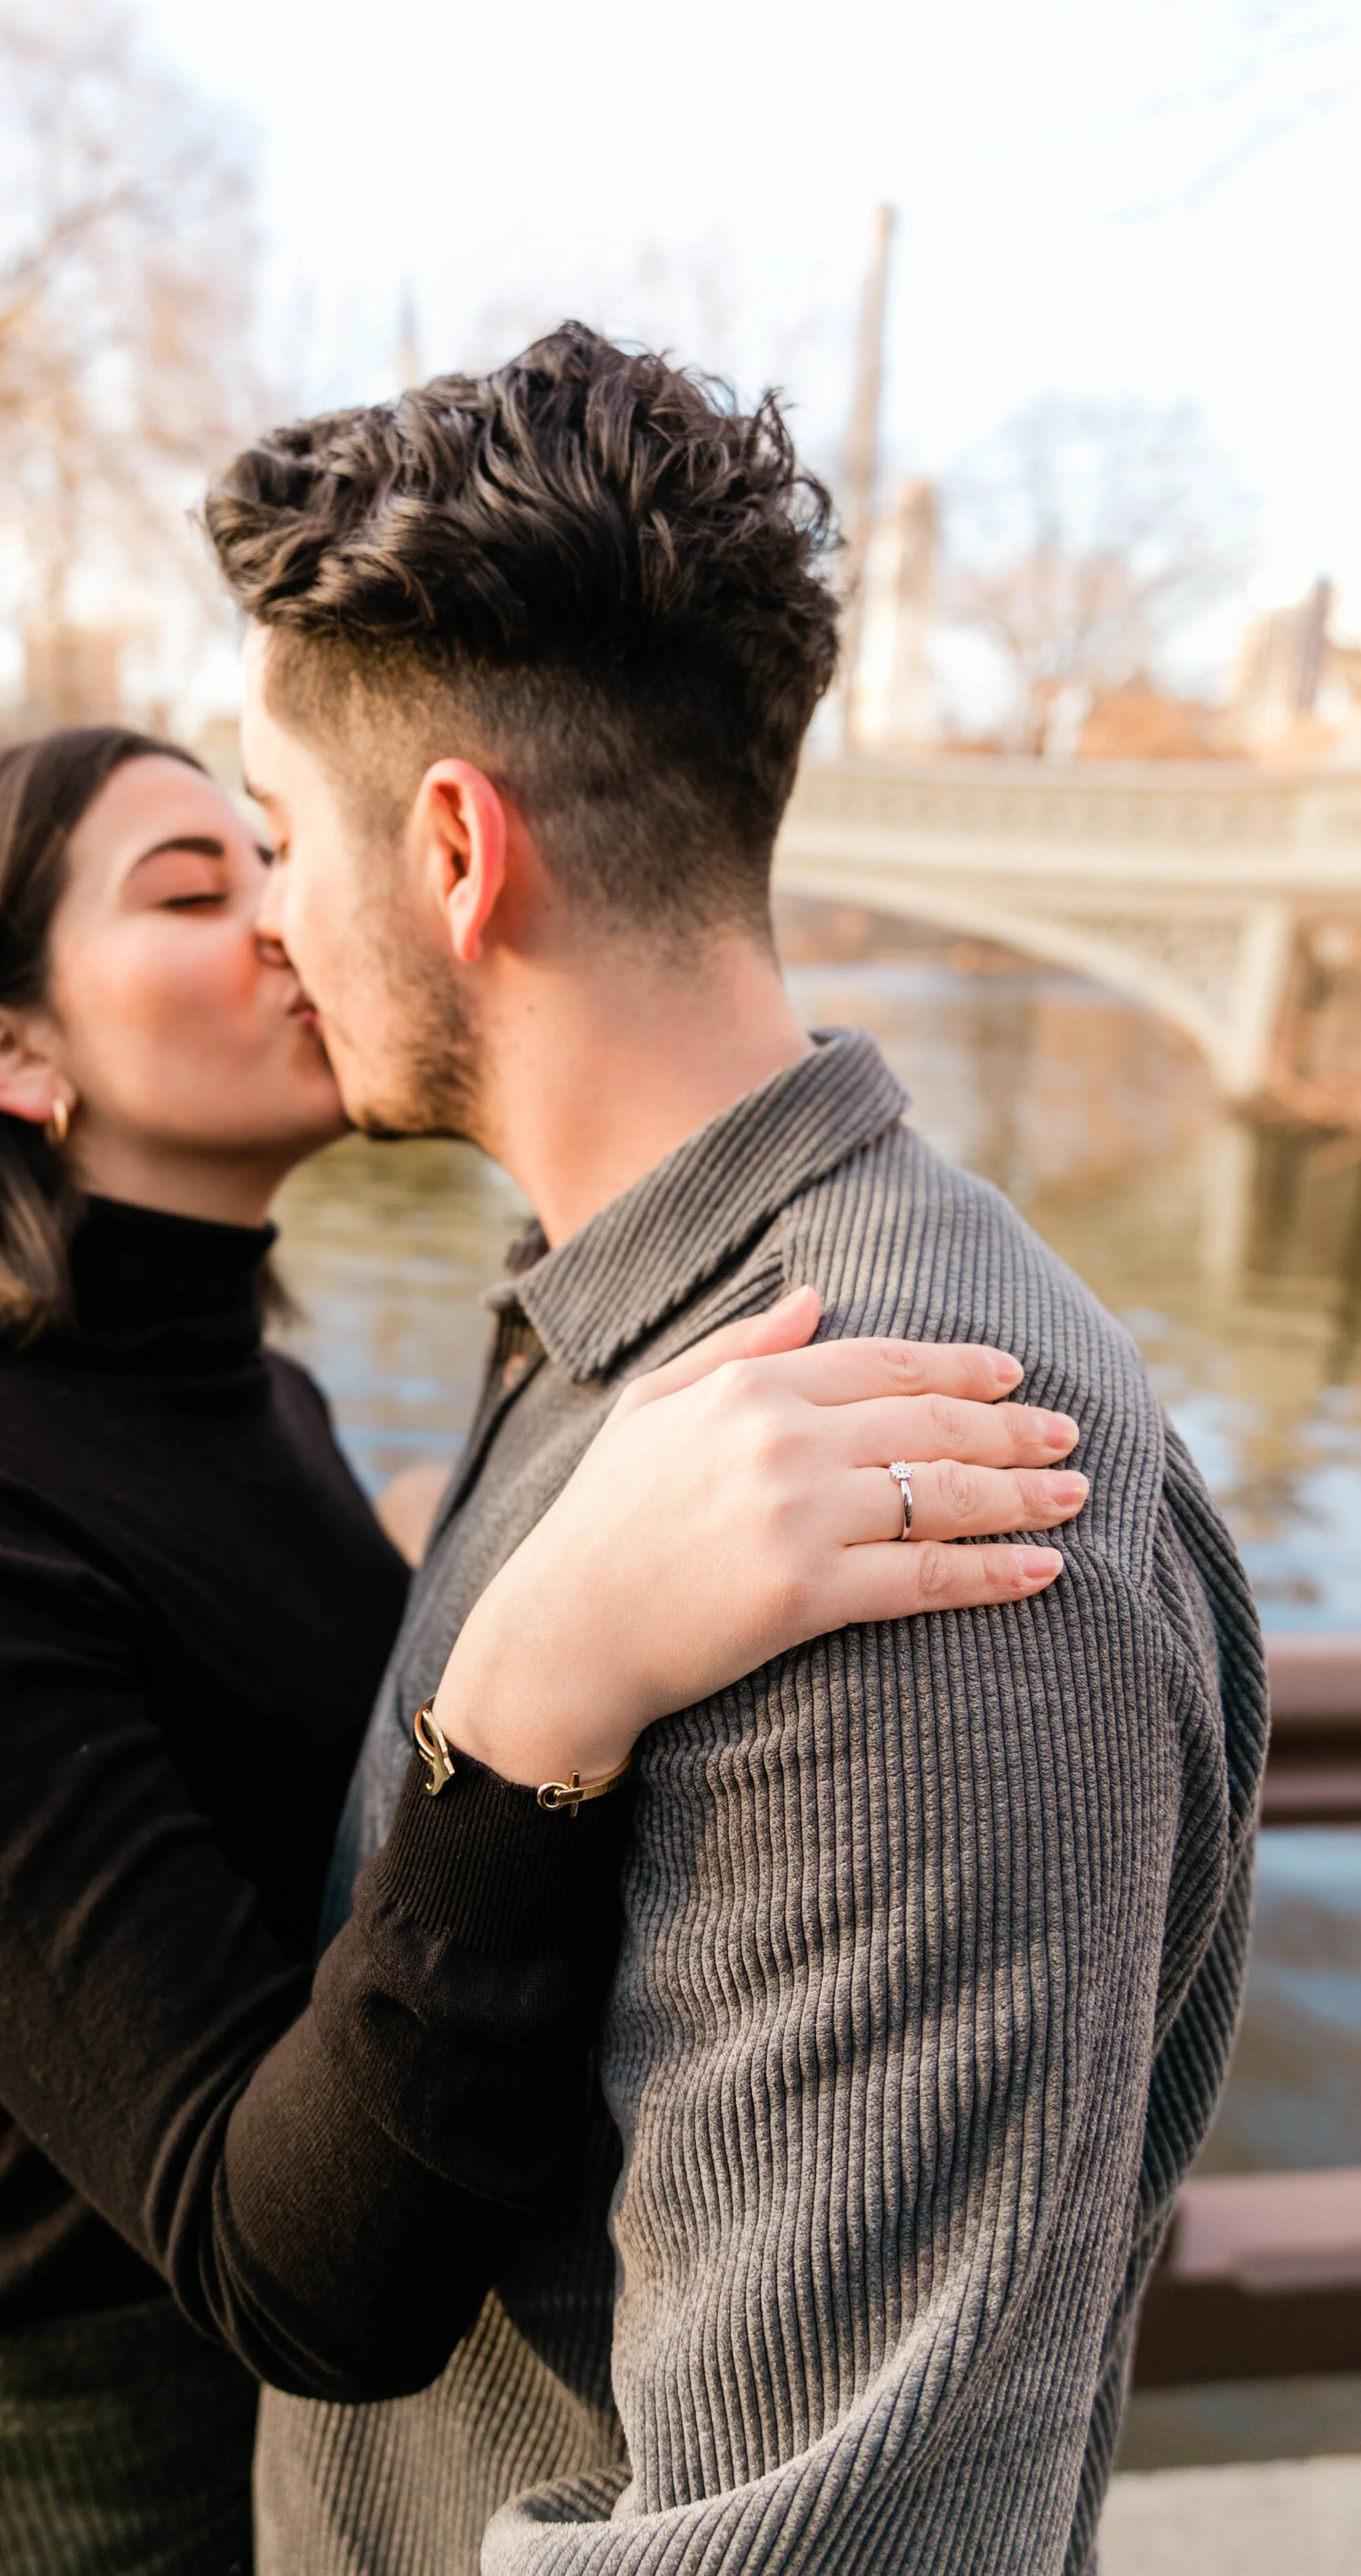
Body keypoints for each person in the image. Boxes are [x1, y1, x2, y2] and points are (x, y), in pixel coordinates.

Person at [0, 726, 1082, 2576]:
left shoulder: (251, 1399)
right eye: (195, 890)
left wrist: (442, 1559)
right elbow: (280, 2266)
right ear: (7, 1052)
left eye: (266, 855)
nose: (287, 915)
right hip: (15, 2481)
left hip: (291, 2454)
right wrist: (527, 1680)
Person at [195, 325, 1269, 2576]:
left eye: (280, 841)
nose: (272, 924)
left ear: (455, 852)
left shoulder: (925, 1502)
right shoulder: (644, 1311)